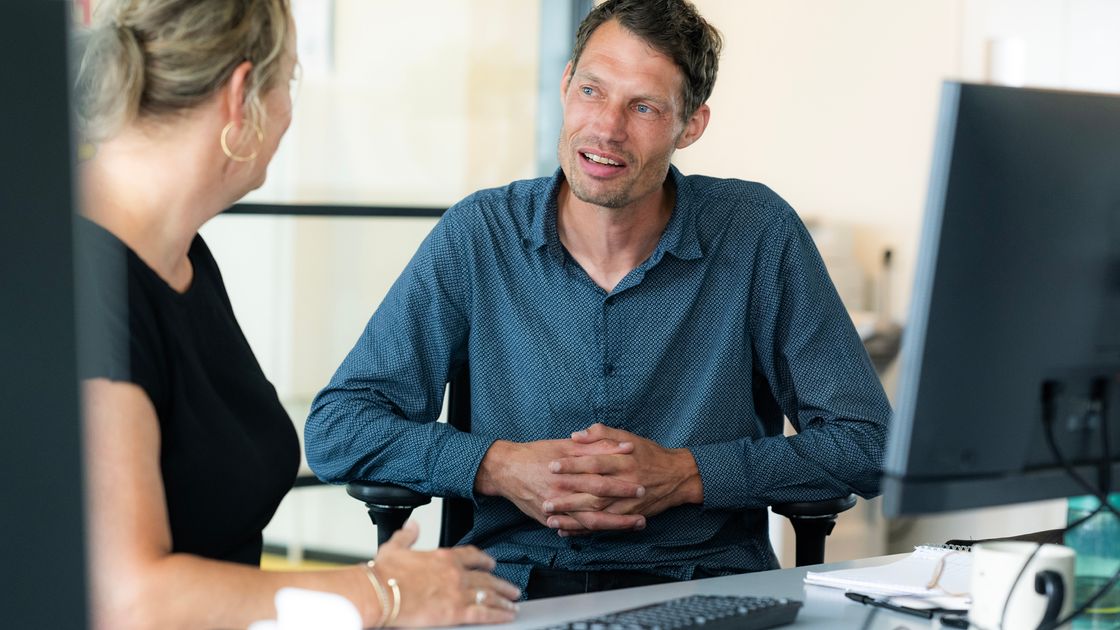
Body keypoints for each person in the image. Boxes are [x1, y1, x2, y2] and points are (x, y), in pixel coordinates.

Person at [306, 0, 891, 601]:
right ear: (565, 85)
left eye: (643, 106)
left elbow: (869, 442)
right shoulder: (479, 235)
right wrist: (499, 466)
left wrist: (688, 476)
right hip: (512, 591)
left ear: (690, 125)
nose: (606, 128)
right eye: (592, 90)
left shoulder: (757, 234)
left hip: (705, 586)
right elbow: (338, 429)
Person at [74, 0, 519, 627]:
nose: (289, 114)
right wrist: (382, 593)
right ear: (239, 99)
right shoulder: (86, 285)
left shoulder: (183, 257)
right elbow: (131, 600)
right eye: (289, 83)